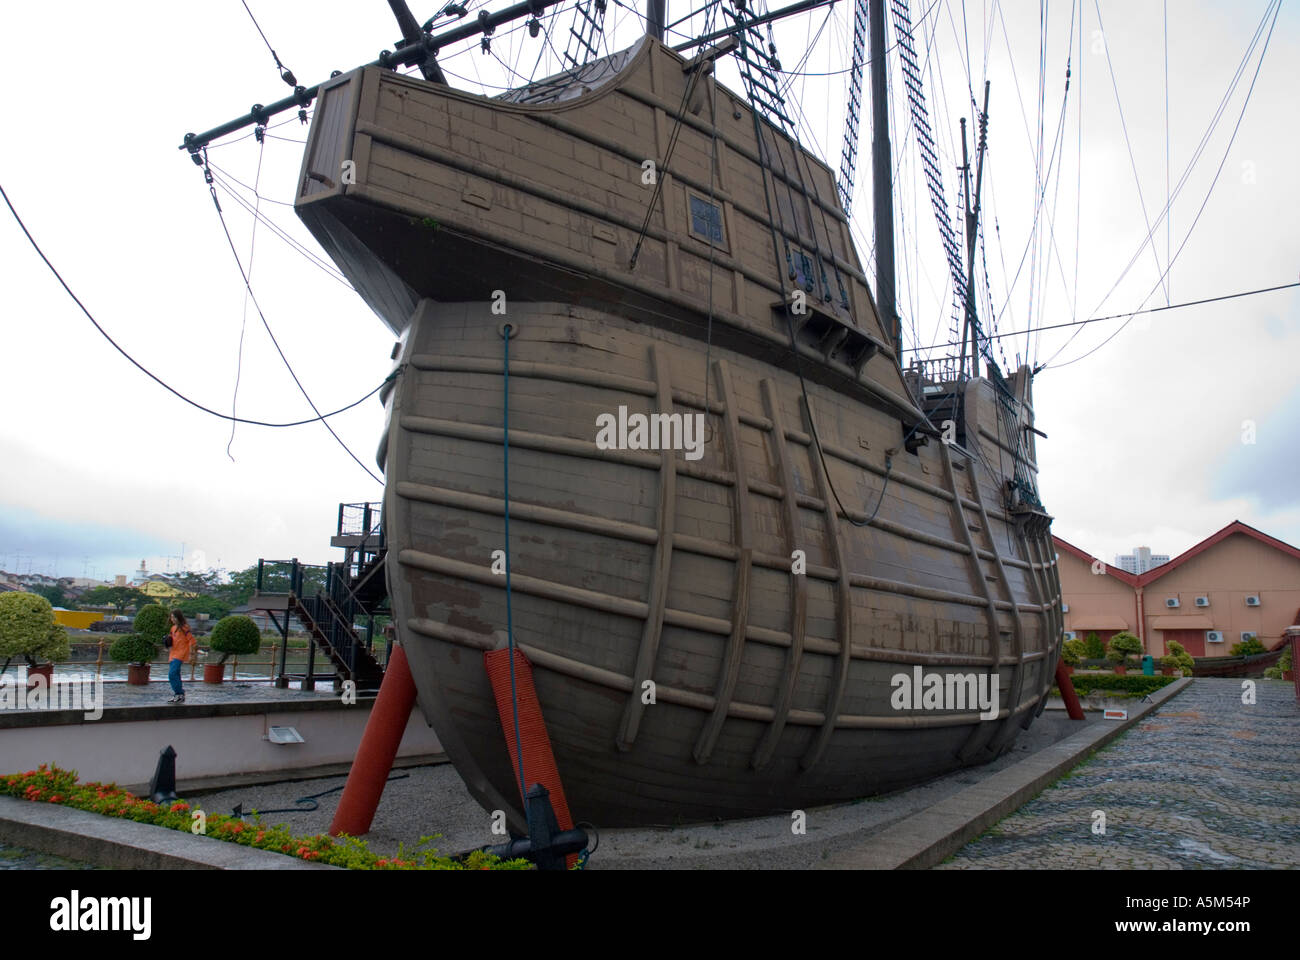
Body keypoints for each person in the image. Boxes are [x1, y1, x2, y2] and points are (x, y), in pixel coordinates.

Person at [166, 610, 198, 703]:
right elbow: (172, 639)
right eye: (171, 617)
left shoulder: (184, 628)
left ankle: (179, 693)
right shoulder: (173, 628)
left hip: (181, 654)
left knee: (172, 674)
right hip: (173, 653)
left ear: (179, 617)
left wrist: (192, 654)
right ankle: (178, 694)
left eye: (174, 617)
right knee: (175, 675)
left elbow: (192, 641)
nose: (173, 619)